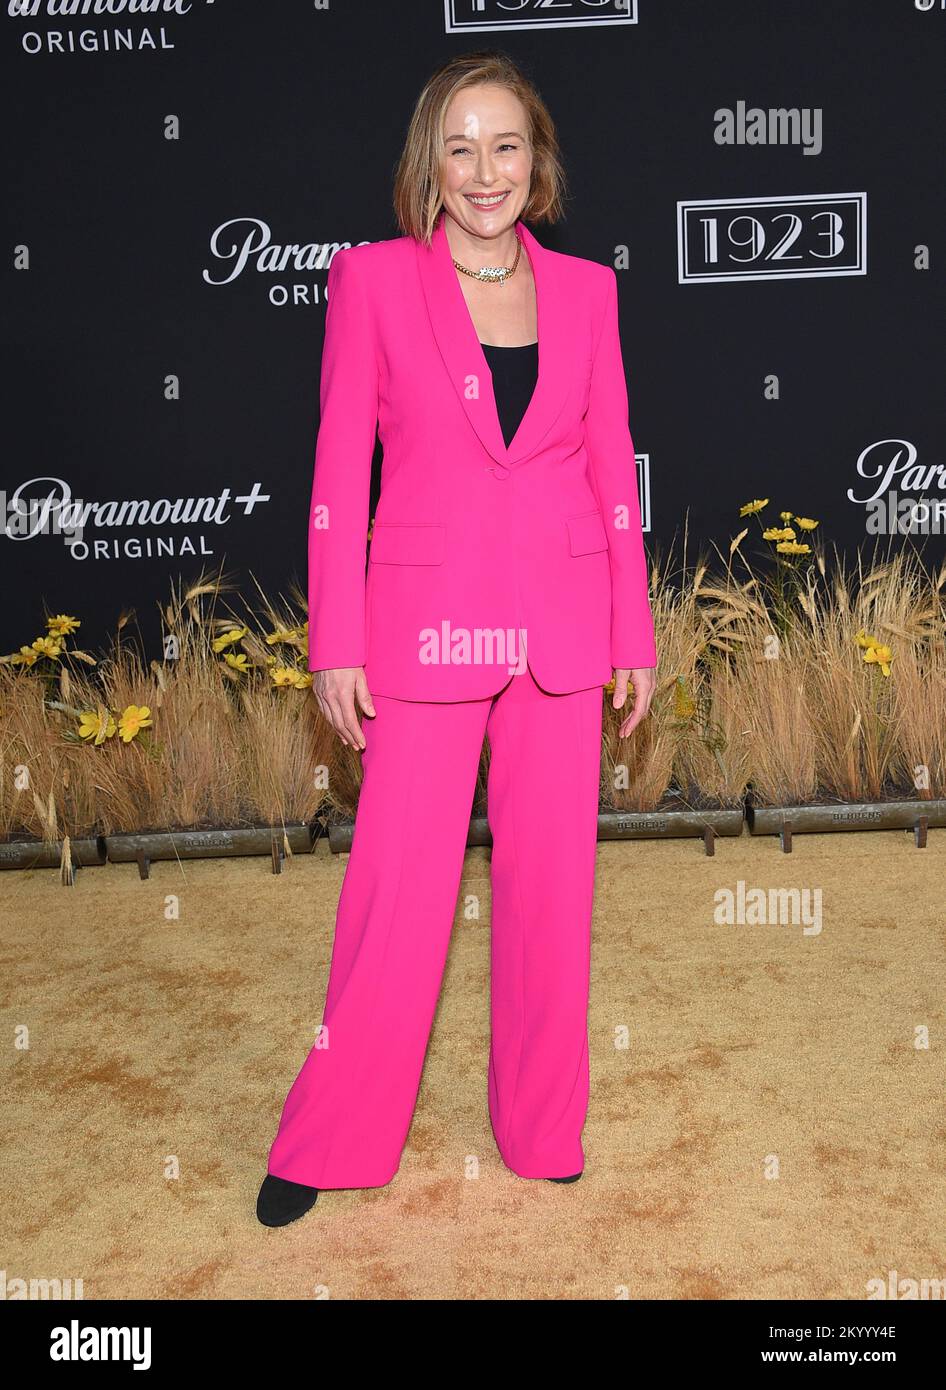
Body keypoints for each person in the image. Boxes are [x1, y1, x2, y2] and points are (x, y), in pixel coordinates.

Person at [257, 50, 657, 1227]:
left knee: (554, 893)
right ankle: (331, 1135)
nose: (486, 171)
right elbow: (337, 471)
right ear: (427, 165)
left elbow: (609, 468)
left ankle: (543, 1127)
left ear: (537, 162)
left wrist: (630, 627)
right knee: (397, 892)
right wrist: (337, 639)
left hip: (563, 632)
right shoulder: (373, 282)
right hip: (420, 634)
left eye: (507, 146)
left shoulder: (588, 291)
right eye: (461, 147)